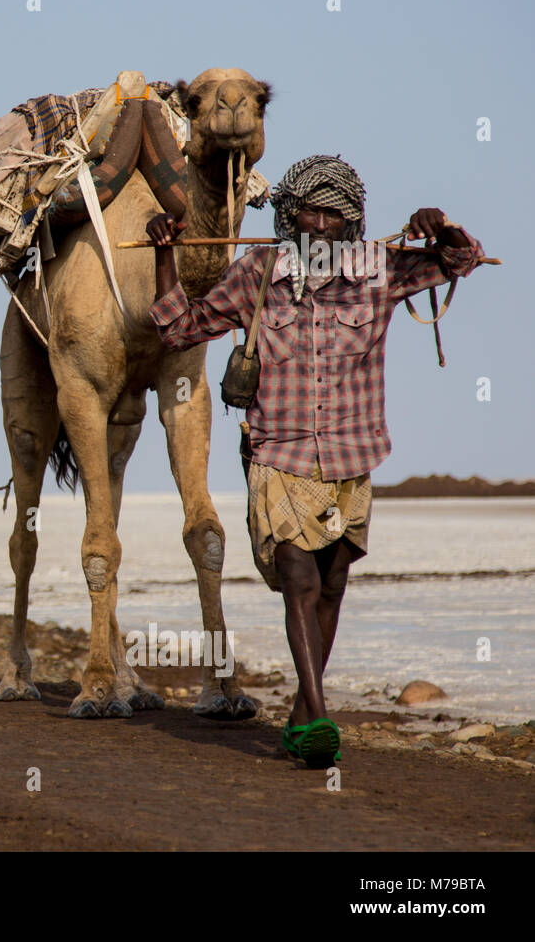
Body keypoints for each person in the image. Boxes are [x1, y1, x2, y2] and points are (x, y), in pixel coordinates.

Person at [145, 154, 485, 767]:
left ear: (353, 220)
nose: (321, 223)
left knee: (332, 583)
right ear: (288, 216)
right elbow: (180, 330)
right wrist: (165, 254)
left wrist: (441, 228)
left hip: (354, 453)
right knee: (299, 580)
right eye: (309, 209)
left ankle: (302, 715)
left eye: (335, 212)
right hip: (279, 451)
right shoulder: (259, 270)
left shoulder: (380, 270)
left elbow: (460, 261)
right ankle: (320, 715)